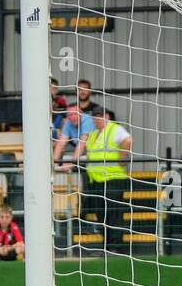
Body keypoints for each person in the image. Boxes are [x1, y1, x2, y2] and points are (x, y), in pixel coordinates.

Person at [79, 106, 132, 243]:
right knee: (101, 214)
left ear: (107, 117)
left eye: (100, 116)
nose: (97, 119)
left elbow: (127, 140)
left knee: (113, 213)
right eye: (95, 117)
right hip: (96, 180)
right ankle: (107, 244)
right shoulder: (93, 134)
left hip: (113, 179)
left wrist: (122, 158)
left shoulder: (115, 128)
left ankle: (116, 246)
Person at [52, 103, 95, 170]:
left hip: (97, 154)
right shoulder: (68, 122)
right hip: (83, 153)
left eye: (75, 114)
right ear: (67, 116)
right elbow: (60, 144)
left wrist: (71, 163)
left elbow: (82, 143)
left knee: (70, 162)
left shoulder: (87, 120)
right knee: (65, 159)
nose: (73, 117)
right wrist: (54, 164)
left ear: (81, 114)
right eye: (70, 115)